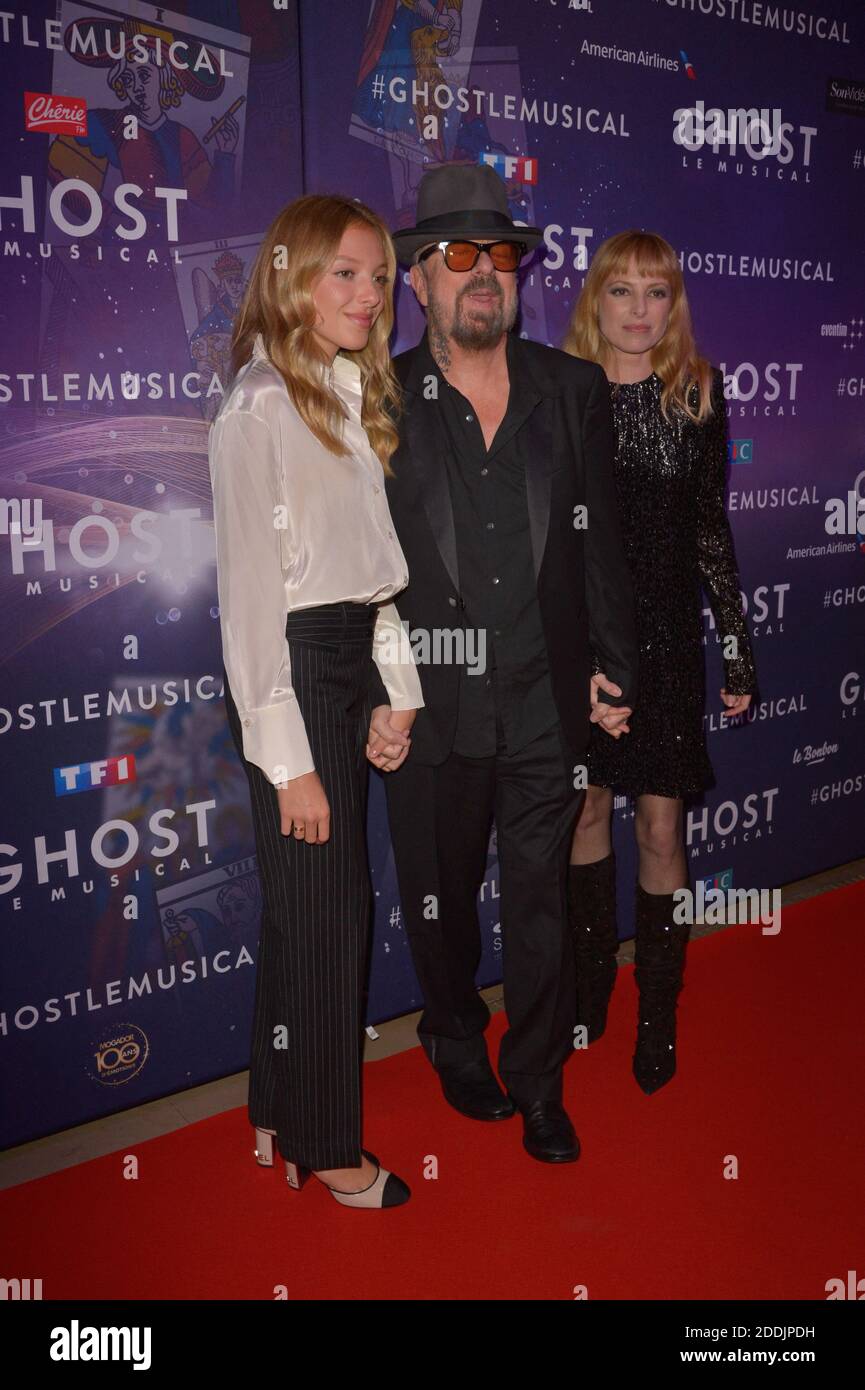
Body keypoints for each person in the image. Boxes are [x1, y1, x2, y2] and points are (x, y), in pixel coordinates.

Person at [366, 164, 639, 1163]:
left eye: (500, 254)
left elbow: (600, 546)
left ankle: (538, 1080)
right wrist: (373, 692)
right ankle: (450, 1036)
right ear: (417, 281)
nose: (483, 272)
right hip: (424, 709)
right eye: (457, 255)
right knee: (435, 903)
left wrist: (614, 666)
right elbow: (353, 569)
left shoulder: (570, 392)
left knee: (538, 901)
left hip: (542, 705)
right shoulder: (377, 399)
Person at [209, 193, 424, 1209]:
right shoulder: (257, 404)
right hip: (289, 670)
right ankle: (329, 1145)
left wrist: (398, 693)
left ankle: (274, 1101)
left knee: (307, 912)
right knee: (334, 911)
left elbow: (371, 573)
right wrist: (286, 755)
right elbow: (252, 603)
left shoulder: (345, 392)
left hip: (347, 662)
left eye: (379, 276)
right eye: (345, 272)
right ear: (291, 276)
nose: (369, 294)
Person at [562, 230, 757, 1094]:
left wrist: (738, 647)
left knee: (660, 827)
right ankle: (591, 983)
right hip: (583, 638)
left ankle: (657, 1005)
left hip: (671, 638)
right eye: (622, 291)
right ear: (594, 299)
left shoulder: (696, 393)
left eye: (657, 293)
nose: (640, 310)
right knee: (585, 814)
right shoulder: (562, 393)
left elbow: (709, 529)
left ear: (673, 305)